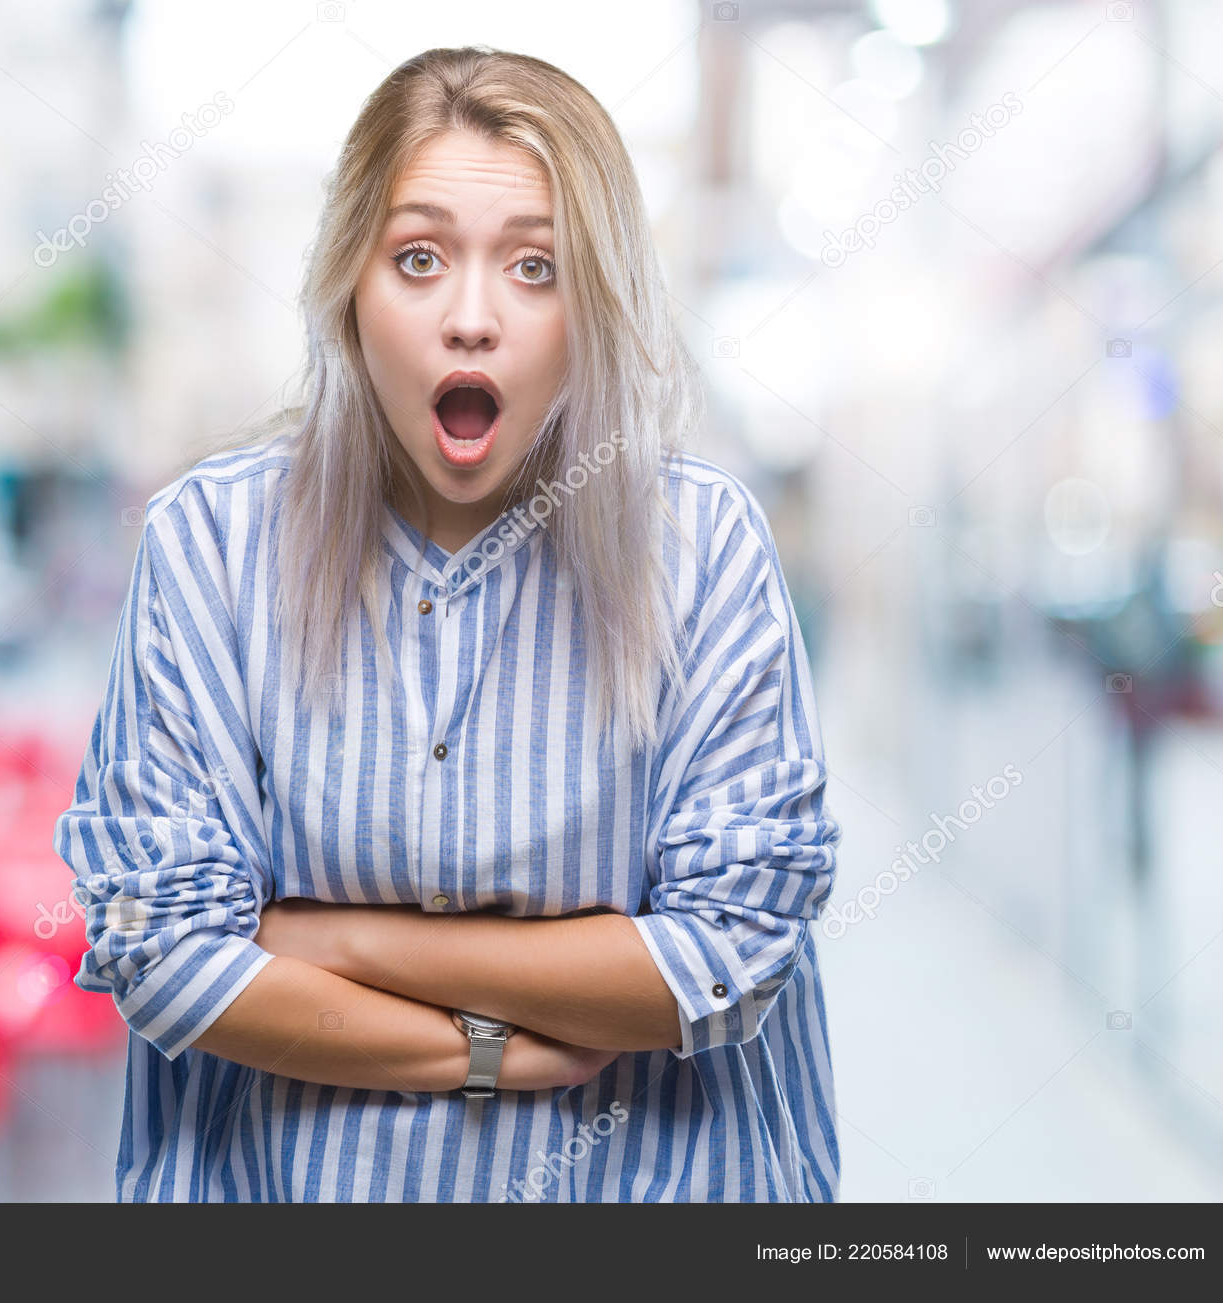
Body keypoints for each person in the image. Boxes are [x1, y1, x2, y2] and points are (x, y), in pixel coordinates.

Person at [53, 44, 842, 1202]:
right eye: (417, 258)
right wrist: (495, 1051)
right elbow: (158, 947)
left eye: (536, 266)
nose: (471, 319)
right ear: (346, 289)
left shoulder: (702, 547)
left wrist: (331, 938)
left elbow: (725, 958)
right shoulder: (210, 546)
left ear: (600, 301)